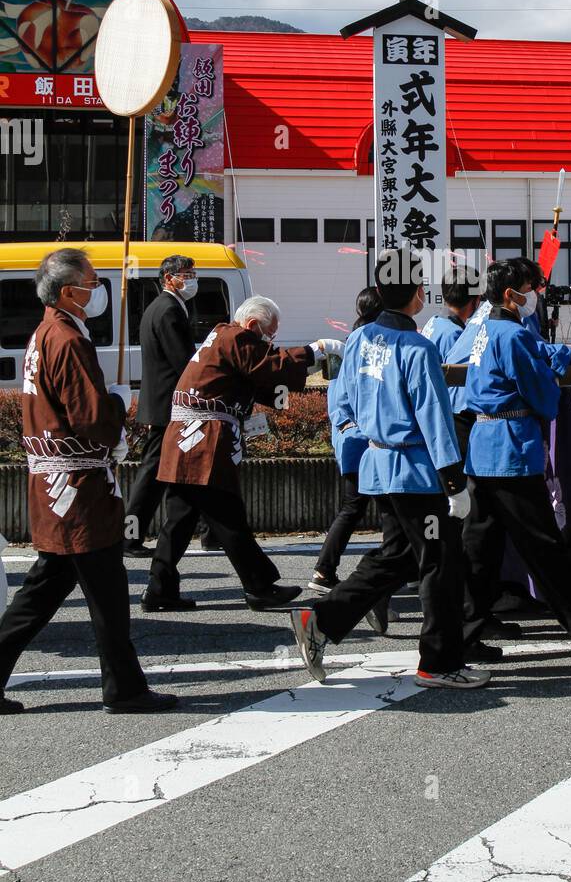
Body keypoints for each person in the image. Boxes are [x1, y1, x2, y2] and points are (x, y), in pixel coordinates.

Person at [291, 249, 490, 691]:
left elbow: (347, 402)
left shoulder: (360, 340)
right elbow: (436, 418)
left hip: (378, 465)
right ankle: (438, 663)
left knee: (398, 556)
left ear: (379, 292)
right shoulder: (417, 348)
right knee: (439, 563)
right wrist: (454, 481)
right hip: (418, 470)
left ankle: (320, 620)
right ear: (418, 294)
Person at [0, 249, 175, 715]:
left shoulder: (44, 333)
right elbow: (92, 418)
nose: (97, 290)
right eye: (91, 282)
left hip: (56, 485)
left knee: (43, 592)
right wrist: (117, 404)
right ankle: (125, 688)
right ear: (68, 291)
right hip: (78, 489)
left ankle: (124, 687)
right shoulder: (67, 340)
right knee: (107, 594)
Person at [460, 258, 571, 659]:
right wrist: (561, 378)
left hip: (483, 447)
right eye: (529, 286)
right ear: (510, 294)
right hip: (511, 448)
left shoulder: (487, 330)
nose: (535, 294)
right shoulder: (514, 335)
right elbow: (542, 392)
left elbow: (542, 350)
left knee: (480, 549)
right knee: (543, 547)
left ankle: (465, 633)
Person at [143, 296, 343, 613]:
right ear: (252, 326)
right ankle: (259, 586)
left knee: (179, 521)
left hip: (184, 439)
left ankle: (159, 589)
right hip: (202, 442)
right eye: (270, 334)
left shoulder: (222, 338)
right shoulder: (236, 337)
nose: (271, 341)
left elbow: (260, 380)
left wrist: (304, 371)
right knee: (227, 516)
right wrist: (312, 351)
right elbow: (268, 366)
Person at [307, 286, 392, 606]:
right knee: (382, 510)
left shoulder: (350, 343)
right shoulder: (372, 342)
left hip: (349, 437)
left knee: (357, 507)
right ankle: (374, 577)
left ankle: (326, 571)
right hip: (365, 440)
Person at [125, 254, 202, 559]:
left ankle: (207, 531)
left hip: (162, 404)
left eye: (193, 273)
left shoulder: (163, 306)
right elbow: (182, 360)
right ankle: (128, 535)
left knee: (160, 473)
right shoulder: (169, 309)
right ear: (169, 278)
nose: (192, 278)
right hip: (167, 405)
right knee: (151, 474)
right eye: (186, 273)